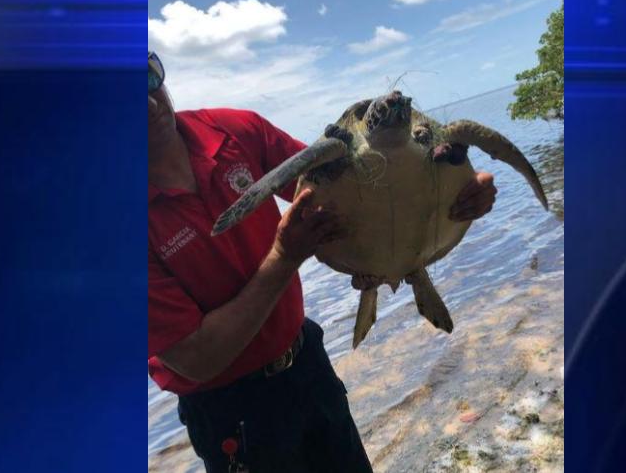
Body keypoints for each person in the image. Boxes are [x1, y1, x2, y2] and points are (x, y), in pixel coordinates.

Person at [147, 51, 498, 472]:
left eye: (146, 77)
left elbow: (345, 188)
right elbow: (196, 358)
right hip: (230, 411)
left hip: (306, 360)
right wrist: (283, 257)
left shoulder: (232, 129)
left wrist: (454, 198)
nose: (148, 101)